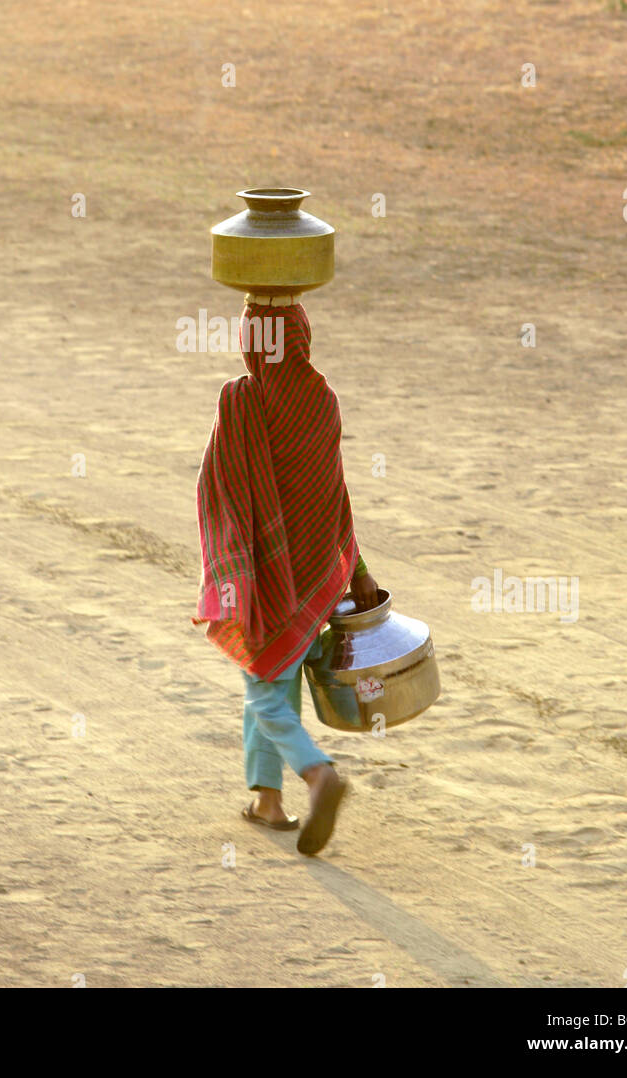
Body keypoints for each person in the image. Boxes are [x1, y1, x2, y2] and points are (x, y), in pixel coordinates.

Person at [194, 295, 380, 855]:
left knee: (265, 691)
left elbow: (219, 484)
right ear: (302, 338)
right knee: (276, 672)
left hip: (261, 571)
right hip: (316, 570)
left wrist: (232, 563)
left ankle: (317, 773)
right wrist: (357, 567)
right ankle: (267, 802)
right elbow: (333, 492)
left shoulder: (242, 399)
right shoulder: (323, 399)